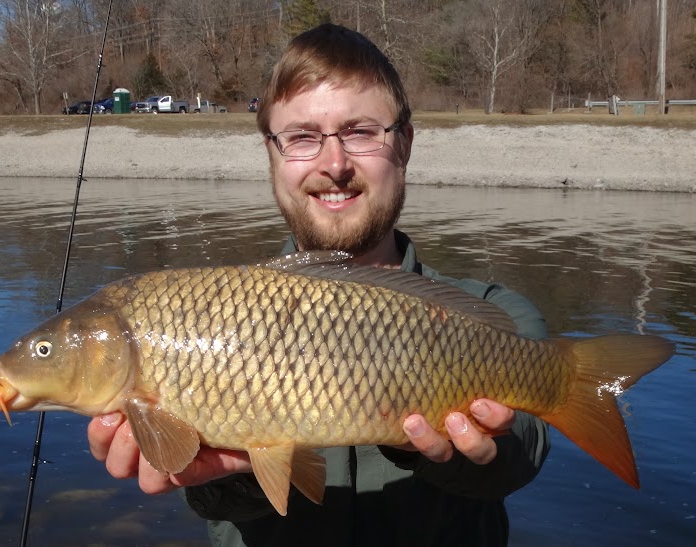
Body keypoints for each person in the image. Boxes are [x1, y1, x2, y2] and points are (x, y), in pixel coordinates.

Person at [88, 23, 549, 546]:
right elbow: (222, 502)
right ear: (272, 154)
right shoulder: (212, 316)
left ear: (404, 144)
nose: (334, 165)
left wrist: (449, 443)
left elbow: (525, 448)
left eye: (361, 132)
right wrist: (226, 471)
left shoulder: (490, 311)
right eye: (302, 137)